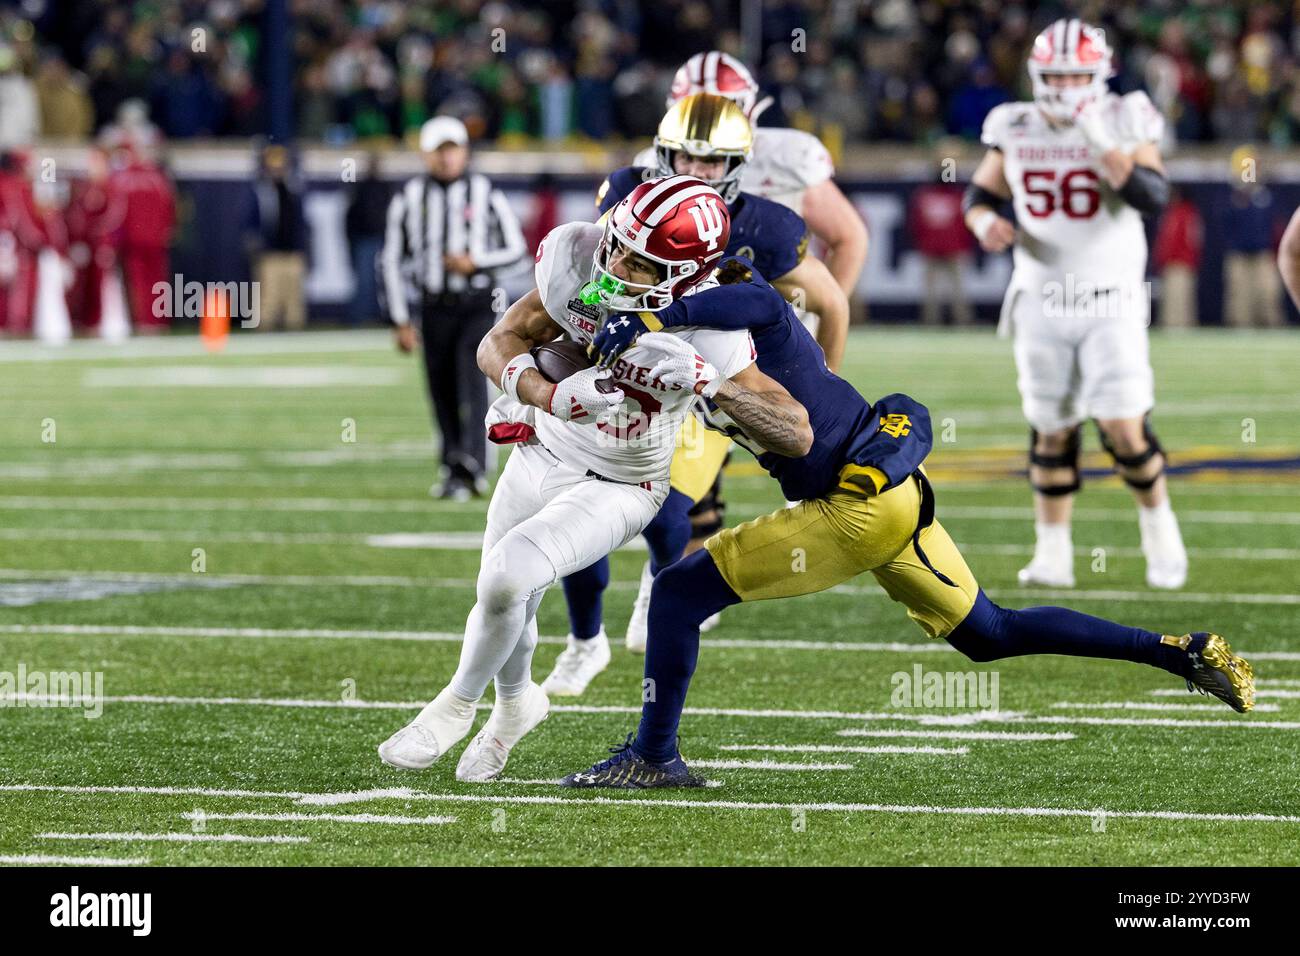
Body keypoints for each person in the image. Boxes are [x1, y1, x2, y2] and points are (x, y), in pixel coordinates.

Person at [557, 254, 1255, 789]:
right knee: (991, 633)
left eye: (641, 268)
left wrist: (654, 321)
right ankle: (1175, 650)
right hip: (893, 490)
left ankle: (653, 755)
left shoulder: (737, 313)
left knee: (678, 595)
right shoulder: (719, 332)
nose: (625, 277)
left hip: (852, 503)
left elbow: (754, 295)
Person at [376, 176, 812, 782]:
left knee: (510, 574)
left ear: (686, 278)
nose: (617, 263)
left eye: (640, 261)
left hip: (619, 483)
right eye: (618, 244)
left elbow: (796, 432)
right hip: (539, 450)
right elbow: (498, 342)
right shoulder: (581, 257)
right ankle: (514, 706)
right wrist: (545, 394)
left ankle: (455, 705)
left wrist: (712, 383)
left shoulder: (712, 330)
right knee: (503, 597)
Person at [543, 93, 848, 697]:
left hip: (712, 376)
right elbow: (601, 272)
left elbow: (831, 300)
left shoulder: (765, 225)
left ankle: (659, 592)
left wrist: (824, 383)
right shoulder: (630, 193)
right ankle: (585, 640)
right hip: (635, 364)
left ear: (737, 165)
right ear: (662, 151)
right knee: (577, 500)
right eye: (685, 155)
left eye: (712, 162)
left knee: (670, 506)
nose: (696, 169)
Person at [962, 18, 1187, 591]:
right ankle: (1053, 552)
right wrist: (985, 221)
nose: (1063, 85)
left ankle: (1159, 530)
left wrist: (1101, 141)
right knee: (1051, 426)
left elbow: (1152, 195)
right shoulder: (1014, 124)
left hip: (1111, 298)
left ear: (1098, 74)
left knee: (1122, 425)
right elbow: (981, 195)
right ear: (1037, 74)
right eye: (1054, 73)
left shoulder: (1123, 115)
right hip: (1040, 298)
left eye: (1075, 74)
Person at [380, 116, 528, 500]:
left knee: (471, 381)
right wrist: (399, 318)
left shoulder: (486, 193)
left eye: (452, 149)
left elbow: (518, 251)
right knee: (440, 387)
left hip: (478, 303)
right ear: (426, 155)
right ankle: (451, 463)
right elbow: (392, 260)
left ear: (464, 151)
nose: (446, 158)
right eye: (439, 151)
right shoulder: (409, 198)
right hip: (432, 306)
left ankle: (474, 465)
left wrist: (475, 261)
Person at [245, 144, 306, 332]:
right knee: (268, 303)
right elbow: (253, 222)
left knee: (294, 303)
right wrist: (257, 245)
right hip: (270, 254)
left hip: (292, 253)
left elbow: (299, 221)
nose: (278, 169)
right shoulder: (261, 191)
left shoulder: (293, 189)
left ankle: (295, 346)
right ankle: (262, 341)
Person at [343, 151, 390, 326]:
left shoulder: (384, 187)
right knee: (365, 281)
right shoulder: (360, 188)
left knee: (381, 281)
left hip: (380, 240)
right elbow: (352, 216)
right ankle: (358, 317)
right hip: (365, 240)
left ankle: (379, 316)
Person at [1152, 186, 1202, 328]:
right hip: (1168, 263)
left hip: (1181, 263)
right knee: (1170, 299)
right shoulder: (1169, 213)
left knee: (1180, 298)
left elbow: (1192, 239)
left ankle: (1182, 327)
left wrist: (1188, 259)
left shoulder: (1187, 213)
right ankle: (1171, 326)